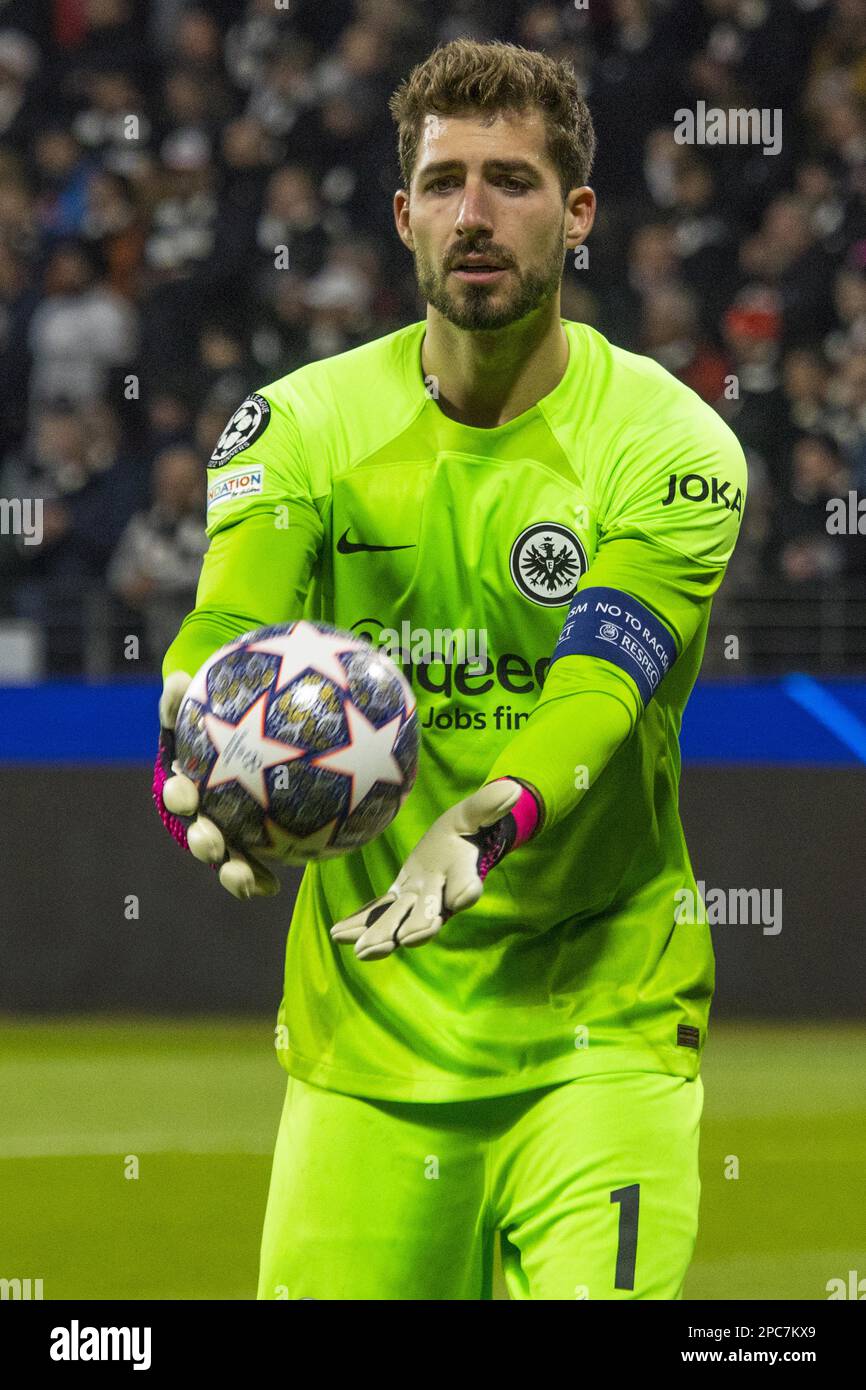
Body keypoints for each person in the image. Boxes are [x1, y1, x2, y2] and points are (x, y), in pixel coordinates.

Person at [154, 38, 746, 1300]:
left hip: (602, 1034)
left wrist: (492, 813)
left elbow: (599, 676)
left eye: (513, 182)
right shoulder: (300, 424)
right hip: (369, 1045)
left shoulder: (667, 444)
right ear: (403, 213)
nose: (474, 215)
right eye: (444, 183)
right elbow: (228, 624)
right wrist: (189, 733)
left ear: (577, 214)